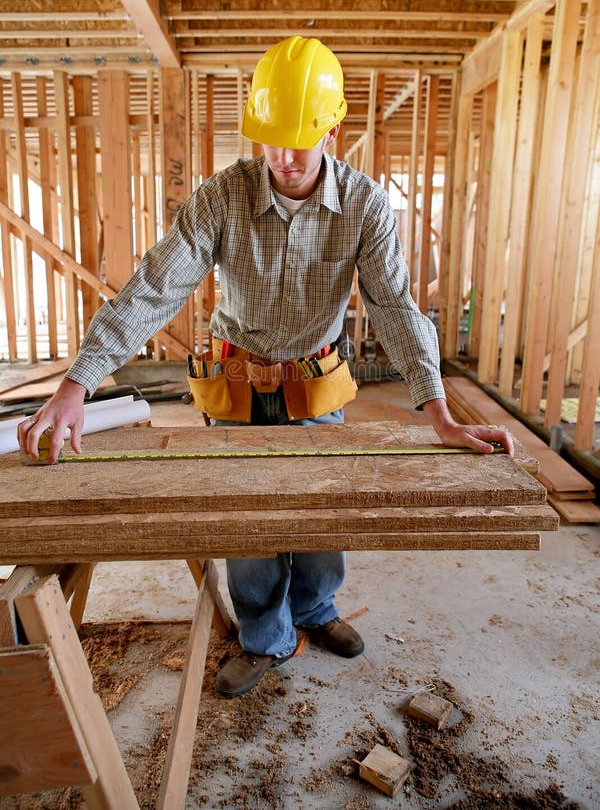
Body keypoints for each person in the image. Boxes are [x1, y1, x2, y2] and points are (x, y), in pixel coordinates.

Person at [18, 35, 513, 698]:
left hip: (317, 385)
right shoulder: (222, 197)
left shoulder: (365, 205)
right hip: (236, 385)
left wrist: (442, 415)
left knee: (322, 515)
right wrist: (77, 383)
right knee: (248, 525)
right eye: (271, 141)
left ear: (331, 131)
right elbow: (156, 287)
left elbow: (395, 307)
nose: (284, 158)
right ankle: (264, 637)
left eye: (299, 142)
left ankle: (315, 611)